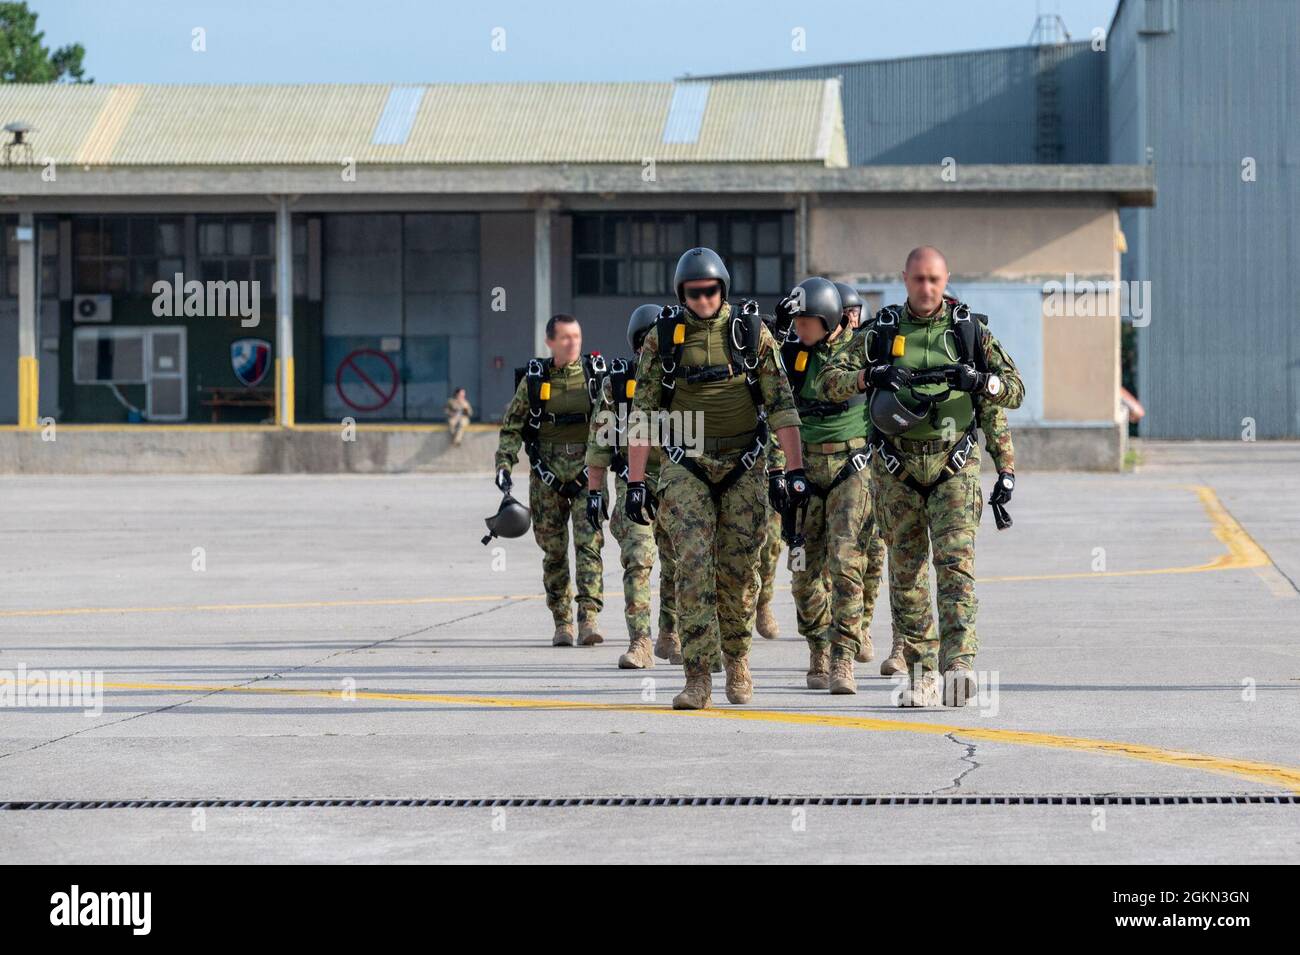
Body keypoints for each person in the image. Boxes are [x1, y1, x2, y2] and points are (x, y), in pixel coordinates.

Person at [818, 246, 1022, 706]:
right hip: (897, 469)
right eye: (918, 280)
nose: (926, 288)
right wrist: (869, 377)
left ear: (946, 278)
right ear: (904, 279)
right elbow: (828, 379)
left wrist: (981, 384)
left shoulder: (970, 331)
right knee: (906, 574)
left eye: (934, 279)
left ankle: (959, 665)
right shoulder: (883, 330)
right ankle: (921, 672)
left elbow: (1012, 392)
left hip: (955, 466)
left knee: (955, 570)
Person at [626, 248, 806, 709]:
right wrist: (636, 482)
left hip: (744, 465)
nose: (702, 298)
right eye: (693, 292)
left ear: (722, 288)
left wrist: (792, 471)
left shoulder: (750, 333)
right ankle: (697, 676)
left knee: (738, 572)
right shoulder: (663, 339)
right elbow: (643, 412)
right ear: (681, 293)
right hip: (687, 465)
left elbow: (782, 404)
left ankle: (738, 661)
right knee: (691, 567)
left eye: (709, 290)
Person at [774, 277, 878, 693]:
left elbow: (841, 384)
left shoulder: (859, 349)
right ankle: (816, 643)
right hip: (803, 470)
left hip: (851, 467)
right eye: (796, 321)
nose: (800, 329)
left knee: (846, 563)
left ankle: (842, 658)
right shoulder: (793, 354)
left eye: (806, 321)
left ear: (829, 318)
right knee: (801, 571)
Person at [494, 314, 606, 647]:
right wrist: (504, 463)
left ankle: (588, 619)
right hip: (546, 476)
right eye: (566, 337)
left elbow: (618, 422)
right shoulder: (534, 379)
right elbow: (512, 426)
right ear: (550, 342)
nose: (573, 342)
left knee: (589, 547)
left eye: (577, 335)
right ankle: (562, 623)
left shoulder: (596, 377)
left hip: (589, 474)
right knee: (553, 553)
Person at [585, 305, 680, 669]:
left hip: (678, 480)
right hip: (633, 482)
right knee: (639, 557)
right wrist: (596, 493)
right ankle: (640, 640)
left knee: (680, 561)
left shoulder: (682, 377)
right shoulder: (619, 382)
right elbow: (599, 442)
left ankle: (671, 632)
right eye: (646, 344)